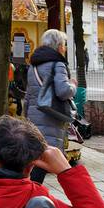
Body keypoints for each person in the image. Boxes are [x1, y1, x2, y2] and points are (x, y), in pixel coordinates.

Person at [25, 29, 75, 184]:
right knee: (48, 158)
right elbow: (63, 91)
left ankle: (32, 191)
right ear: (59, 46)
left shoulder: (33, 66)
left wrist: (27, 118)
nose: (64, 48)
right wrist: (73, 86)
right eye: (64, 45)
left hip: (34, 117)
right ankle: (33, 192)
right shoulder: (58, 64)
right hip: (51, 118)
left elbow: (28, 96)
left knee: (41, 157)